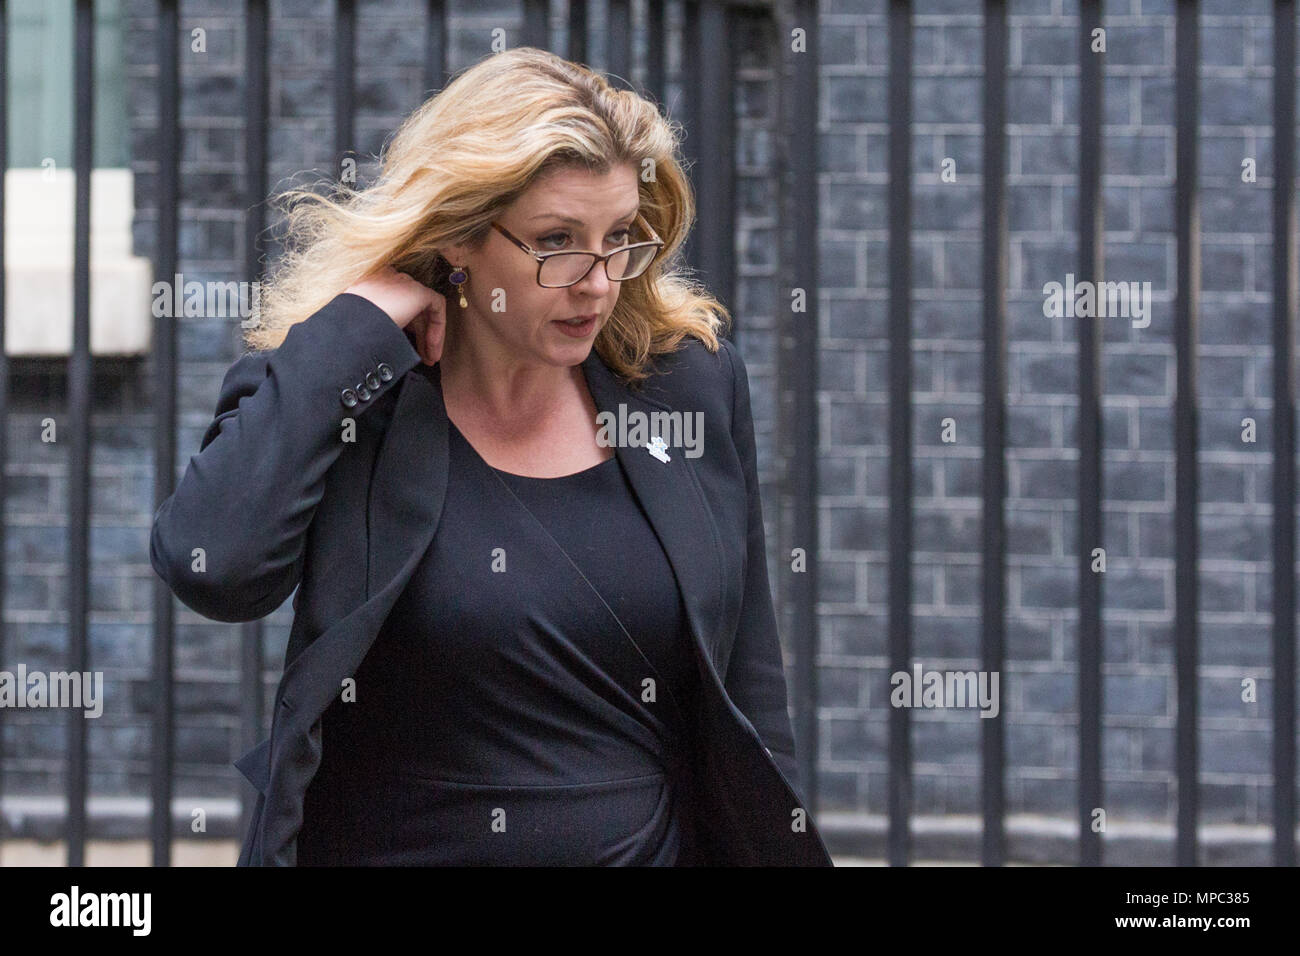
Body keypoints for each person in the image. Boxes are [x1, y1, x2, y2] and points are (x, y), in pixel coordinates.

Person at [152, 46, 833, 866]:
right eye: (557, 242)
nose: (597, 282)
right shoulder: (353, 392)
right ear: (461, 237)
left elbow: (750, 692)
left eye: (619, 237)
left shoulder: (683, 385)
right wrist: (356, 326)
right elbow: (213, 567)